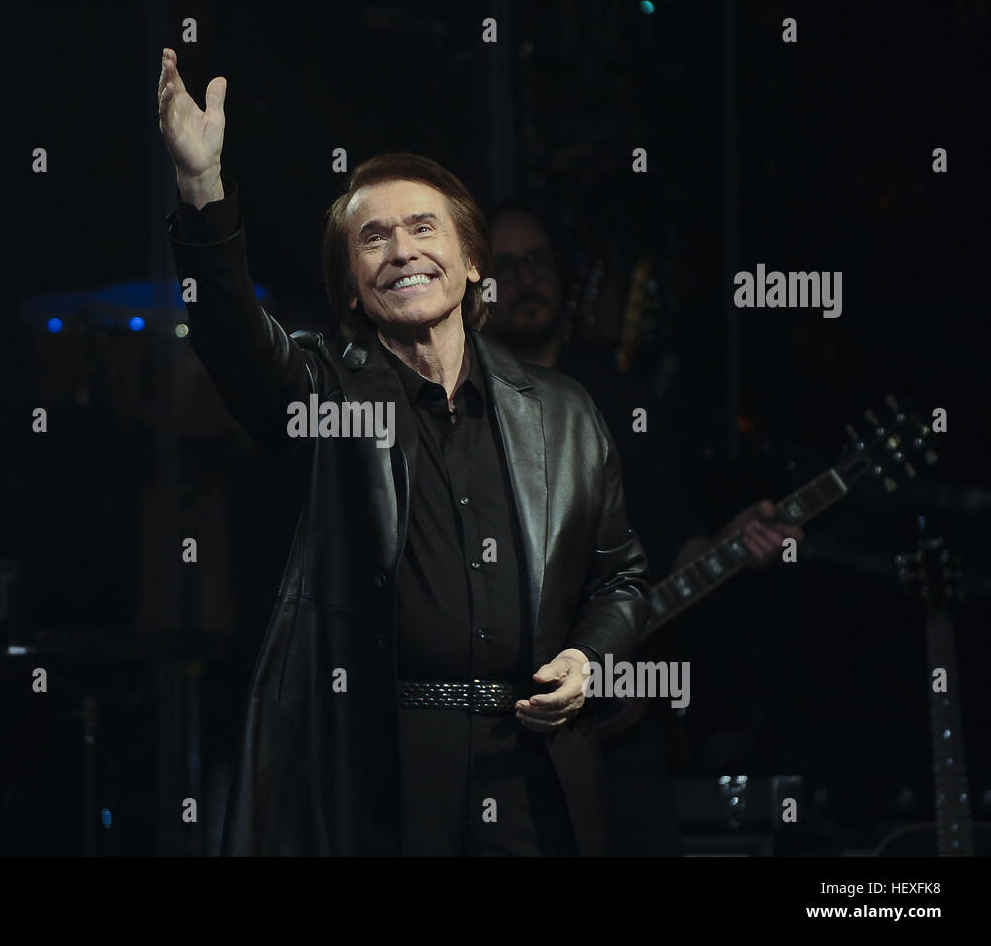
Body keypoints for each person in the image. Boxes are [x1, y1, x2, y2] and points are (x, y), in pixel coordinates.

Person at [158, 48, 651, 856]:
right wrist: (201, 188)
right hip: (379, 765)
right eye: (373, 238)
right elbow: (234, 339)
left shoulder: (563, 414)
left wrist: (591, 659)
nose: (402, 249)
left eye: (424, 227)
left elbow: (621, 574)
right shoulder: (326, 393)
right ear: (352, 286)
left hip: (532, 766)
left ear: (472, 261)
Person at [485, 202, 805, 853]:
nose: (526, 279)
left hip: (620, 727)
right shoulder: (467, 404)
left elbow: (671, 546)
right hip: (502, 731)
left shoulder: (623, 400)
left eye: (538, 262)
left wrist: (730, 543)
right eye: (505, 266)